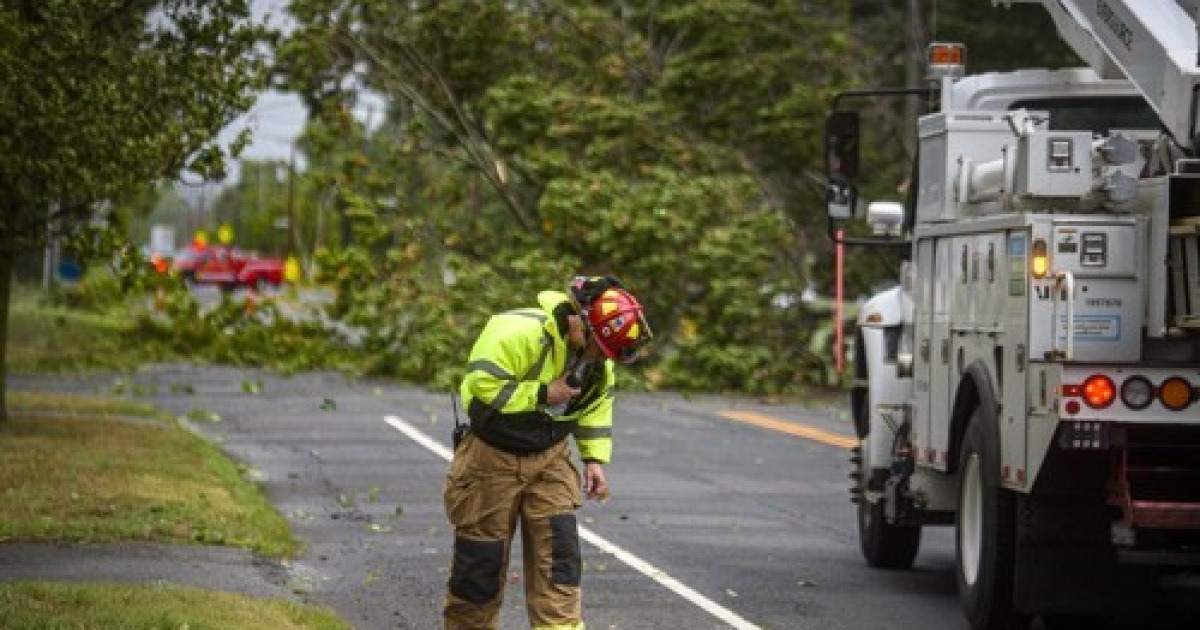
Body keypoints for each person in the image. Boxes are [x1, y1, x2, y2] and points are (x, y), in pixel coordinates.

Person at [443, 275, 653, 630]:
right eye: (600, 348)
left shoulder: (600, 362)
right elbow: (481, 386)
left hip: (552, 458)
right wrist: (543, 393)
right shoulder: (515, 331)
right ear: (579, 322)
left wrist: (593, 458)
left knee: (560, 569)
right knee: (478, 572)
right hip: (490, 458)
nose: (603, 358)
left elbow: (598, 406)